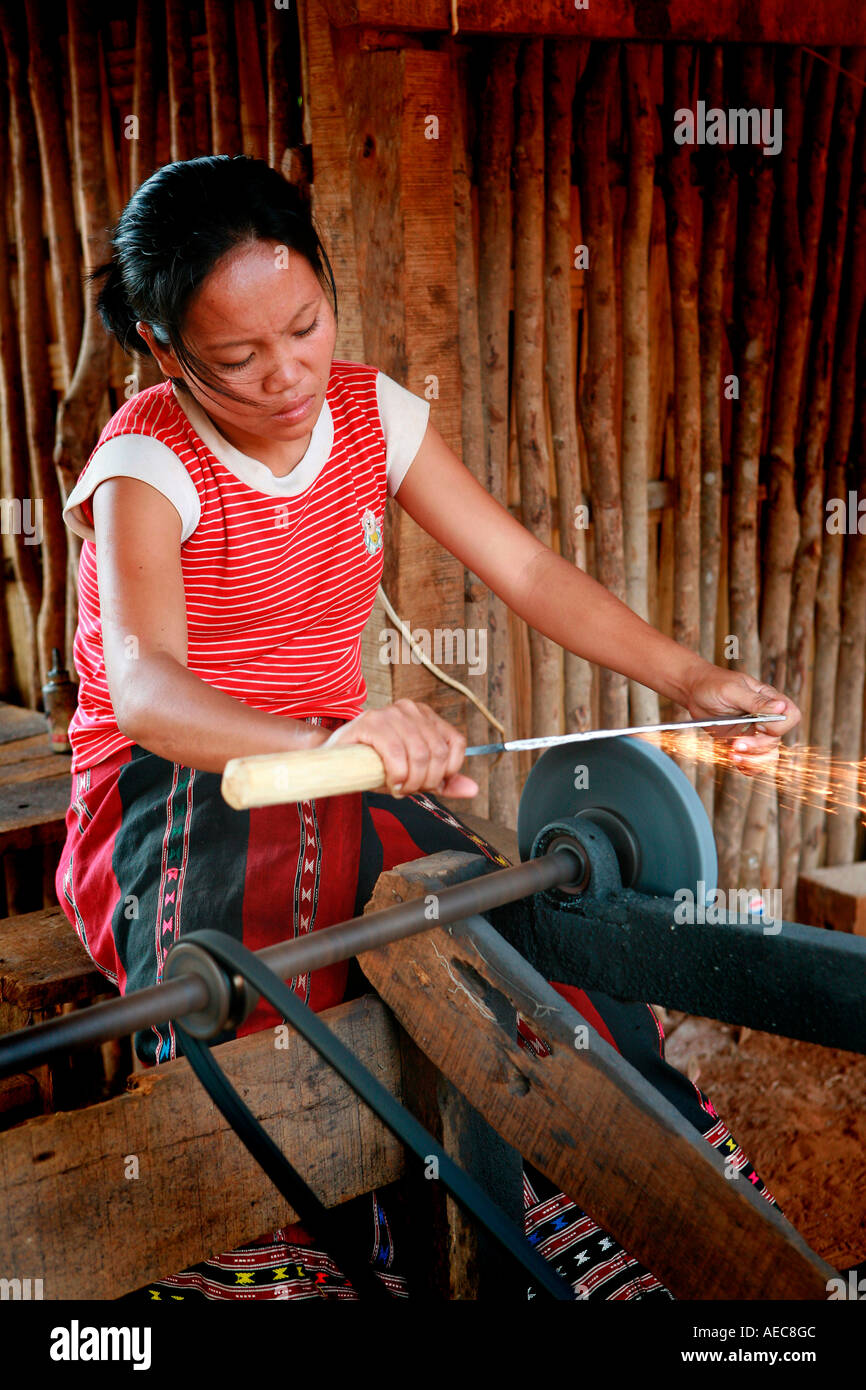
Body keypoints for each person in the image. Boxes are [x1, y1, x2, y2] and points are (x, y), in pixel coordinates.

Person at [57, 154, 799, 1302]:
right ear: (165, 353)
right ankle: (325, 1264)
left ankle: (626, 1223)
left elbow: (525, 569)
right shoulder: (145, 461)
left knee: (501, 938)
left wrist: (690, 676)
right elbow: (147, 691)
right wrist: (324, 748)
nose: (286, 374)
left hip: (327, 767)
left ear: (324, 288)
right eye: (237, 358)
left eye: (304, 326)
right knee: (288, 984)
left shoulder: (370, 412)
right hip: (174, 791)